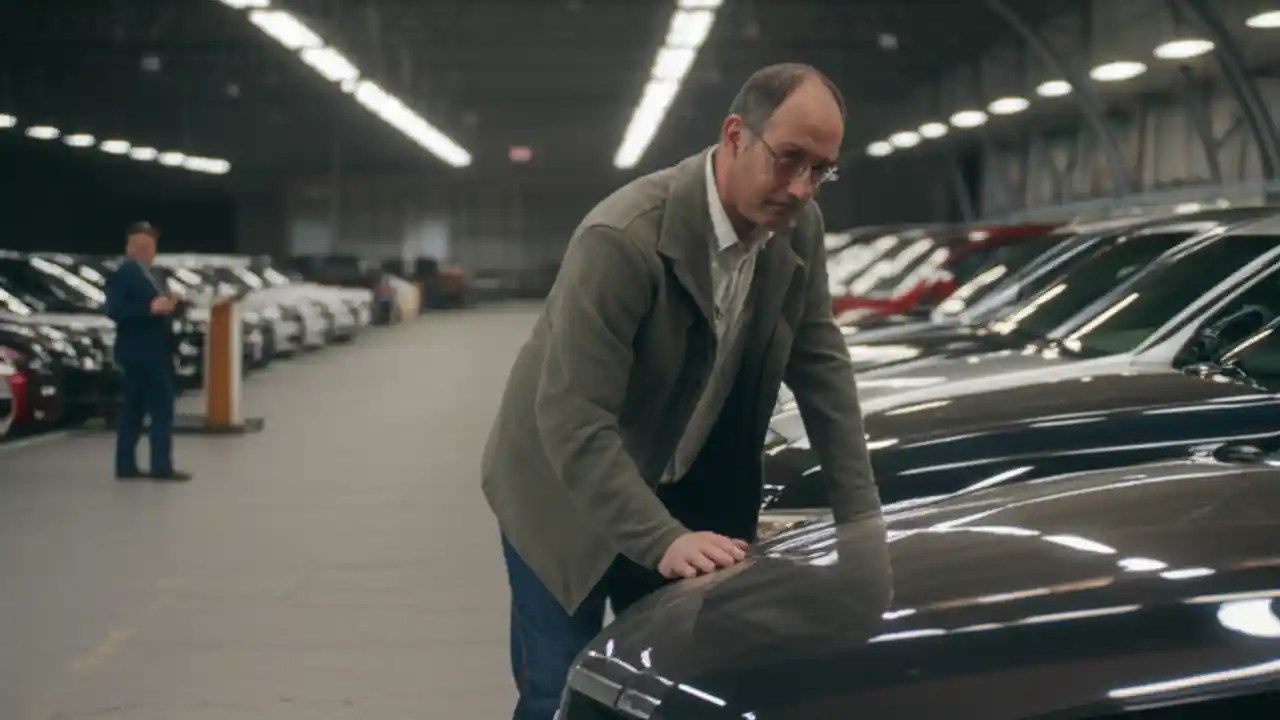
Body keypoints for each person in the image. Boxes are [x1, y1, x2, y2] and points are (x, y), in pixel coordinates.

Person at [481, 63, 882, 719]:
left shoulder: (796, 231)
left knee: (676, 686)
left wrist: (863, 525)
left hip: (676, 487)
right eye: (788, 160)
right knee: (559, 688)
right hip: (559, 491)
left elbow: (822, 366)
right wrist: (662, 540)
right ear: (734, 136)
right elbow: (572, 420)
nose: (801, 187)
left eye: (820, 169)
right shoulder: (623, 239)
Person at [105, 221, 191, 482]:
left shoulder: (152, 274)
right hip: (141, 353)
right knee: (162, 408)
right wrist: (151, 309)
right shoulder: (125, 274)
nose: (147, 251)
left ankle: (125, 464)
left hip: (152, 351)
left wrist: (175, 305)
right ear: (130, 247)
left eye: (151, 246)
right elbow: (116, 311)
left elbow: (159, 306)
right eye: (141, 246)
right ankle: (161, 466)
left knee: (133, 409)